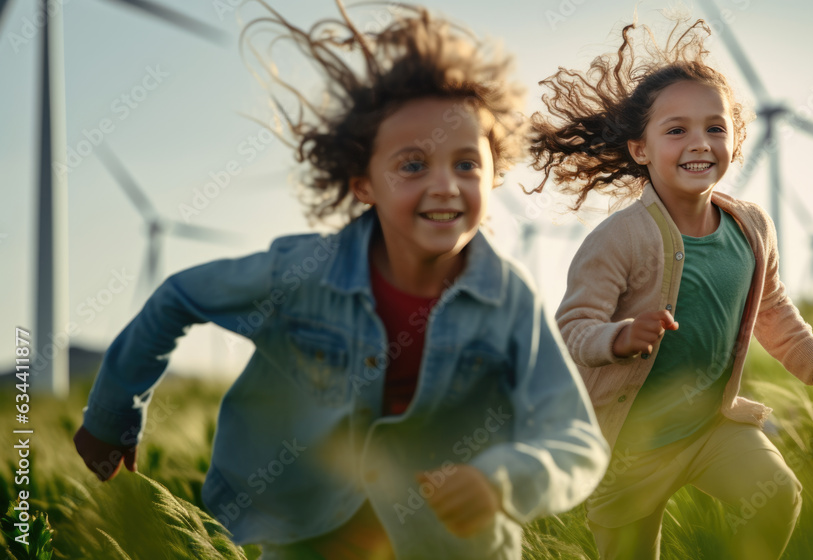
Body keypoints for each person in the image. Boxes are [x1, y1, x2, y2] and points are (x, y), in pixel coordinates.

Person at [73, 4, 608, 559]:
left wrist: (503, 480)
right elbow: (178, 297)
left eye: (467, 164)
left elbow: (577, 439)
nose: (446, 185)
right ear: (363, 185)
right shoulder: (300, 275)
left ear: (495, 174)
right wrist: (112, 415)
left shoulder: (508, 299)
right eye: (413, 165)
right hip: (311, 540)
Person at [529, 17, 813, 560]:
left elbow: (772, 310)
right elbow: (573, 328)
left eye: (715, 128)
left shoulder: (751, 228)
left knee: (776, 495)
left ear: (735, 138)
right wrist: (619, 337)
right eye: (676, 129)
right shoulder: (619, 238)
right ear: (641, 150)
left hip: (712, 426)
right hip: (629, 444)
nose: (700, 143)